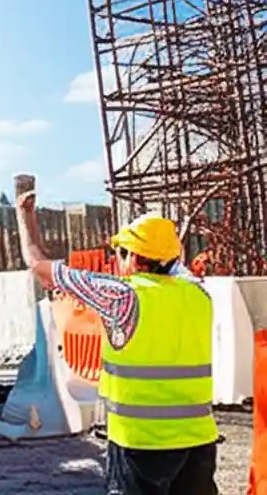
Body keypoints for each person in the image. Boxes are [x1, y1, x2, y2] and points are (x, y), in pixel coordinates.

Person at [16, 191, 219, 495]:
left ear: (134, 257)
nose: (117, 260)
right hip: (198, 442)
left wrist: (25, 217)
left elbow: (39, 265)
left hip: (141, 445)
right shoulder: (199, 295)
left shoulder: (121, 296)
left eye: (121, 252)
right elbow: (174, 269)